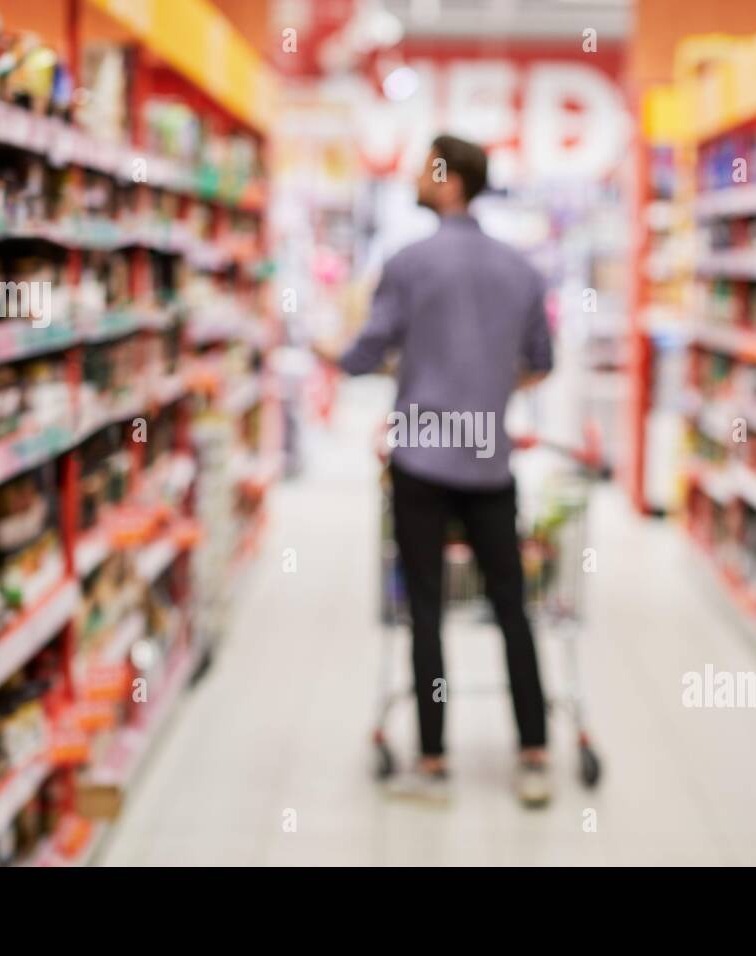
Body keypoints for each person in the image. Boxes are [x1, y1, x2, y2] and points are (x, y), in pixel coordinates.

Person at [316, 134, 554, 807]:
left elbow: (365, 354)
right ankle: (534, 754)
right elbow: (540, 361)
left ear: (451, 181)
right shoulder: (520, 268)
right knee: (512, 608)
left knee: (425, 611)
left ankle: (433, 762)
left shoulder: (409, 263)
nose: (417, 178)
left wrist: (334, 351)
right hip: (489, 463)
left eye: (427, 169)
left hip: (421, 460)